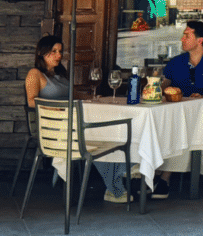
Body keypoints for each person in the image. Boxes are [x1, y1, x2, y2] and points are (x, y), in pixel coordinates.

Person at [24, 36, 129, 204]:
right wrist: (54, 109)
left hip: (71, 123)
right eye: (53, 51)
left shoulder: (60, 73)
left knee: (106, 132)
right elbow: (31, 100)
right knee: (92, 138)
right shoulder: (35, 74)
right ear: (42, 53)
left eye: (60, 51)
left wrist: (94, 97)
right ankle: (116, 185)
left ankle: (121, 173)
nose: (58, 55)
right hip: (53, 127)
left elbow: (73, 95)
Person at [147, 21, 203, 199]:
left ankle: (163, 179)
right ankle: (148, 174)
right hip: (171, 112)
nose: (182, 39)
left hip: (199, 114)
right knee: (152, 126)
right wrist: (154, 84)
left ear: (200, 40)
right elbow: (162, 87)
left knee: (181, 129)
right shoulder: (176, 62)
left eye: (187, 35)